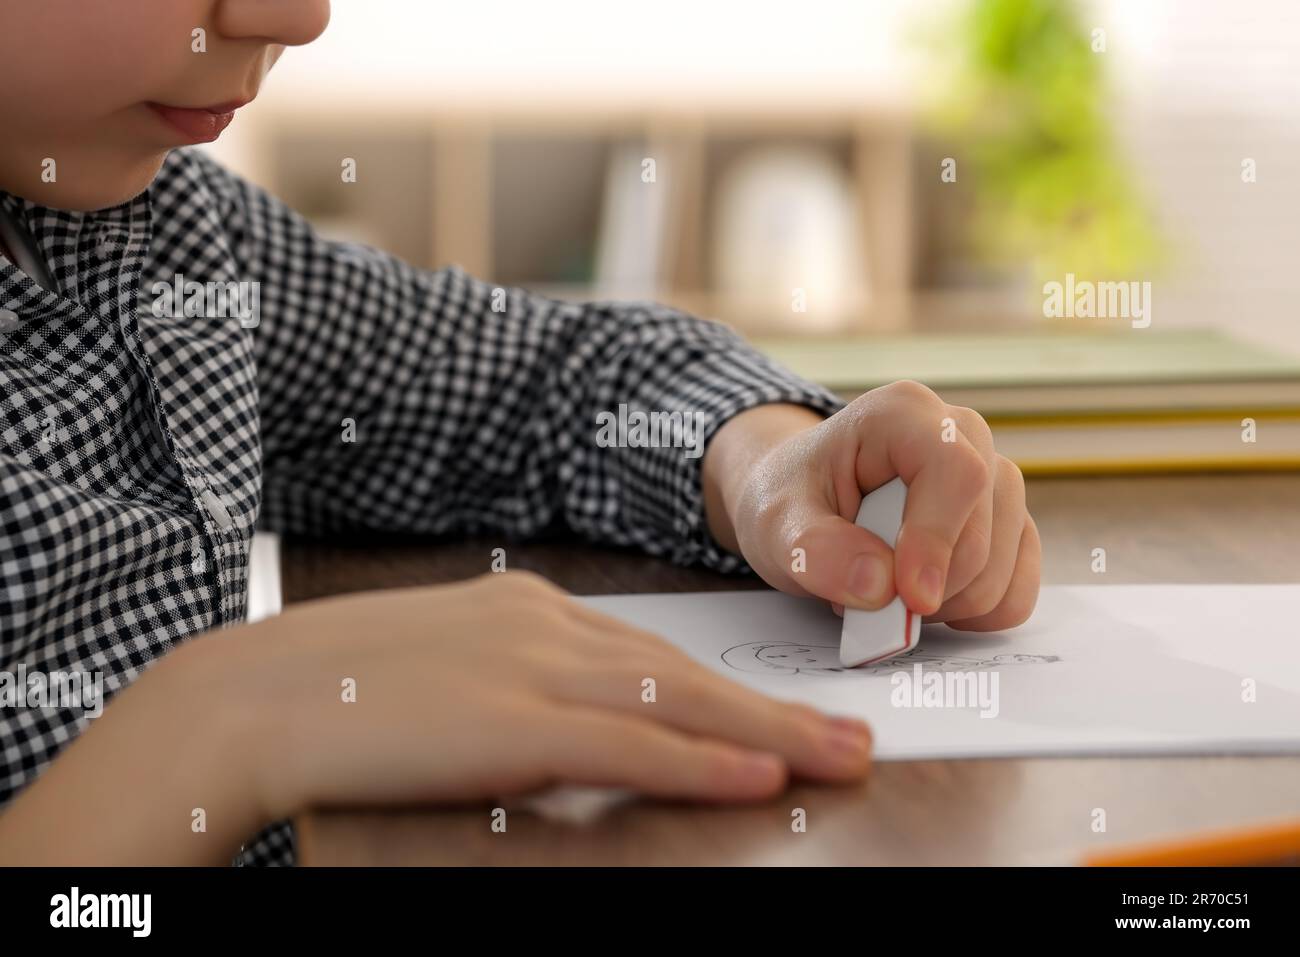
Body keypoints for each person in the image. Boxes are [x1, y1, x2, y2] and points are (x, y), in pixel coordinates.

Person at [0, 0, 1039, 865]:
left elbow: (534, 379)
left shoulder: (163, 233)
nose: (296, 17)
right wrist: (219, 723)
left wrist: (769, 461)